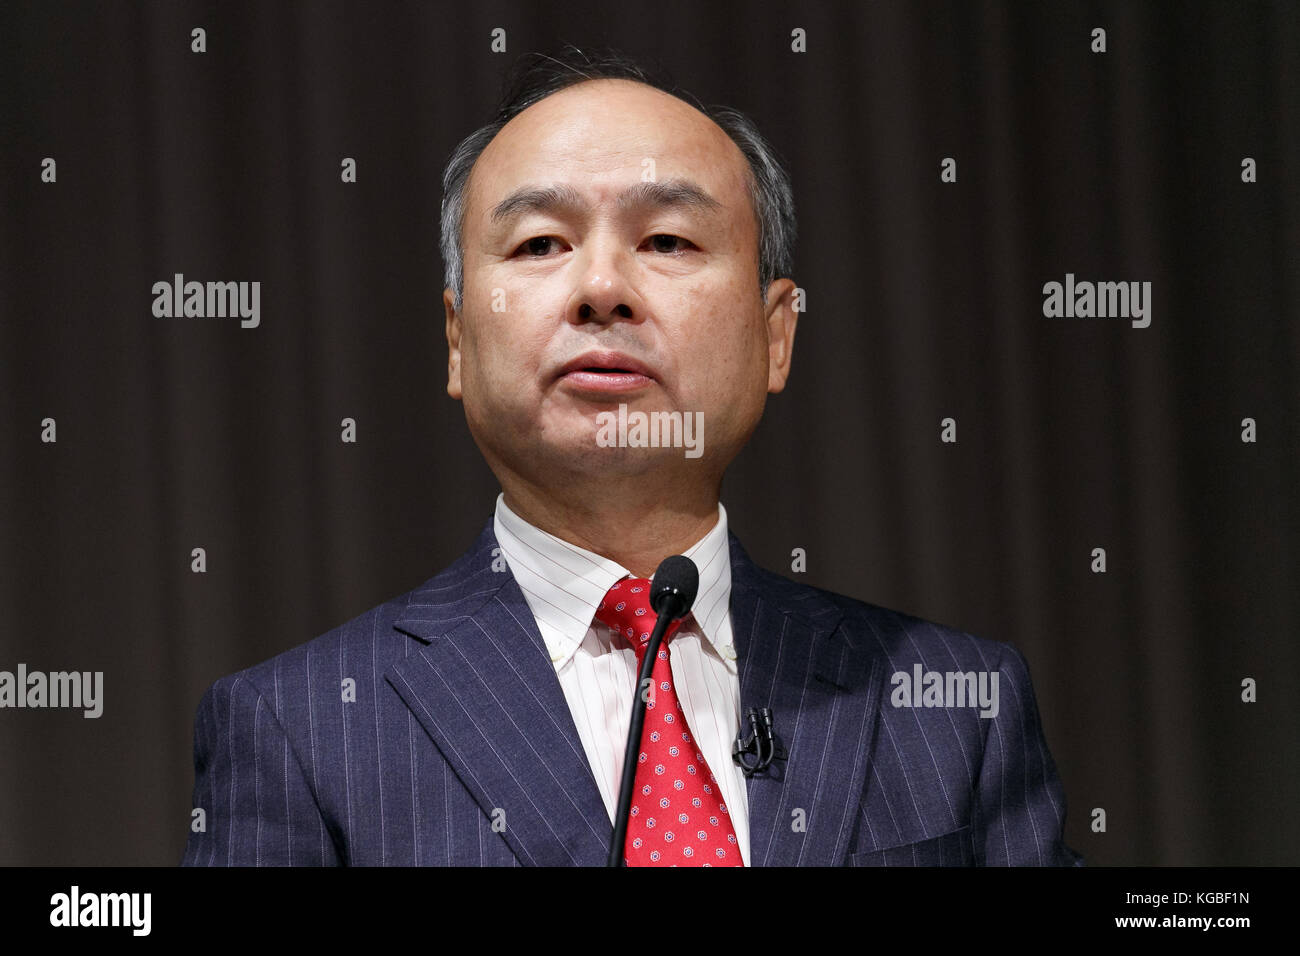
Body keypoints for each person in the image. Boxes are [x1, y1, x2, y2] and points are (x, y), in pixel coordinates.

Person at [181, 47, 1082, 867]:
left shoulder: (955, 705)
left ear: (776, 336)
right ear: (457, 340)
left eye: (666, 242)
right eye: (540, 244)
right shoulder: (298, 727)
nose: (603, 290)